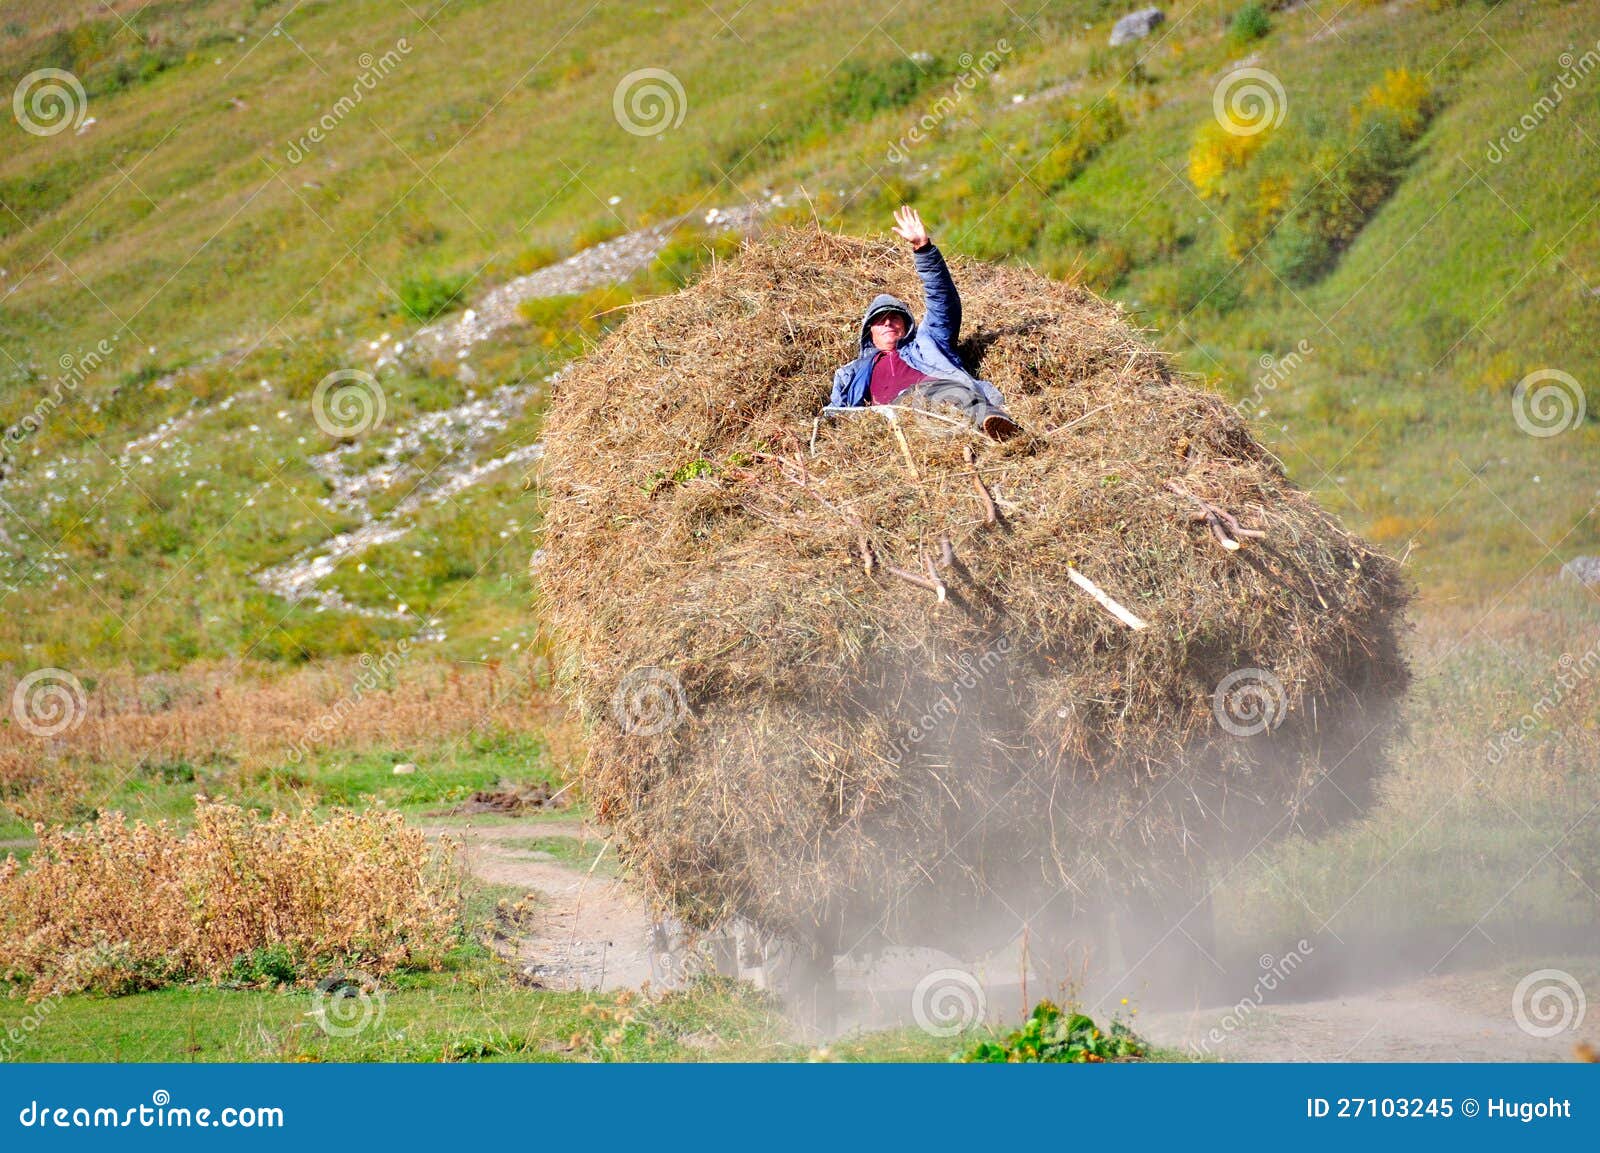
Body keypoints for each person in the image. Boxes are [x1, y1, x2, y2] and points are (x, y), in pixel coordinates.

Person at [828, 206, 1022, 442]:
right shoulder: (851, 373)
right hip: (893, 418)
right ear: (870, 331)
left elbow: (943, 302)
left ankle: (998, 427)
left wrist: (924, 249)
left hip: (938, 396)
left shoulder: (926, 342)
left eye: (894, 317)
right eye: (880, 320)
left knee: (956, 393)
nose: (888, 322)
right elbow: (836, 414)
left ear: (906, 325)